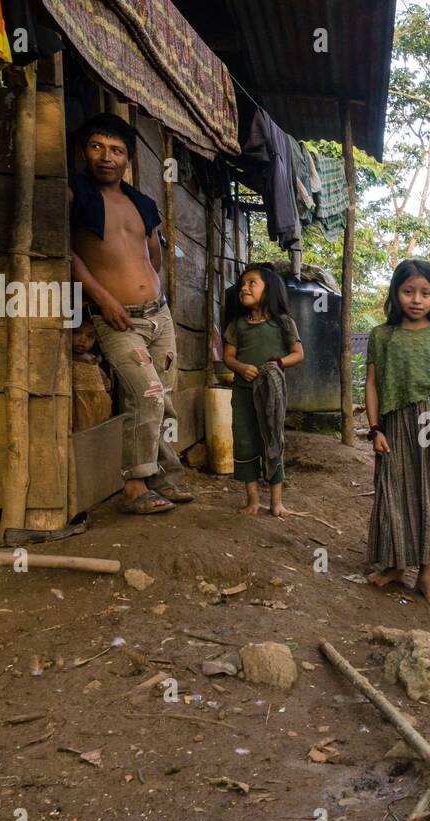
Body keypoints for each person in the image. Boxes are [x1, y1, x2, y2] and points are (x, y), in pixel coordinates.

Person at [68, 112, 192, 514]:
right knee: (147, 393)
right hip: (117, 318)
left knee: (165, 397)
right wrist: (103, 298)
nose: (107, 156)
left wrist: (154, 294)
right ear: (84, 152)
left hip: (159, 316)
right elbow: (65, 252)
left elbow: (153, 255)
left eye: (117, 150)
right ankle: (136, 486)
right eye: (97, 147)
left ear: (128, 159)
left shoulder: (142, 203)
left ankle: (165, 478)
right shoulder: (74, 195)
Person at [364, 259, 430, 605]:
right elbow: (373, 384)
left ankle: (425, 575)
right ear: (395, 293)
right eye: (408, 291)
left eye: (426, 292)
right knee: (393, 492)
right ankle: (395, 565)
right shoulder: (381, 335)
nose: (416, 299)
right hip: (393, 424)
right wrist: (374, 427)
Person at [222, 264, 304, 517]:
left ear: (269, 289)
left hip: (272, 393)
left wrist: (277, 363)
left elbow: (298, 354)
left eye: (251, 283)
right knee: (245, 440)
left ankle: (276, 502)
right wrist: (241, 367)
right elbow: (228, 357)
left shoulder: (283, 323)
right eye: (242, 284)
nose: (244, 288)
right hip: (244, 392)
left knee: (272, 440)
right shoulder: (237, 325)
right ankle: (252, 500)